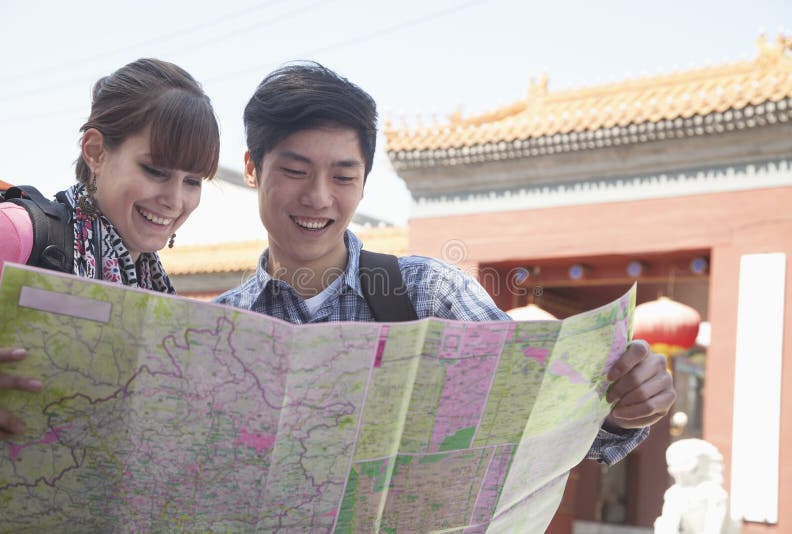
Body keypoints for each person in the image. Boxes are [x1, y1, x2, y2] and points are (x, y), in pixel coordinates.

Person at [216, 62, 676, 463]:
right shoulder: (213, 331)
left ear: (363, 183)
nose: (318, 197)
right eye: (295, 171)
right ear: (253, 168)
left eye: (343, 176)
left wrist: (620, 409)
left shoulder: (429, 293)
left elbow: (537, 405)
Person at [0, 58, 220, 440]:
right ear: (95, 151)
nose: (174, 200)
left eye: (193, 181)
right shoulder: (19, 231)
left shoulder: (157, 287)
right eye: (155, 170)